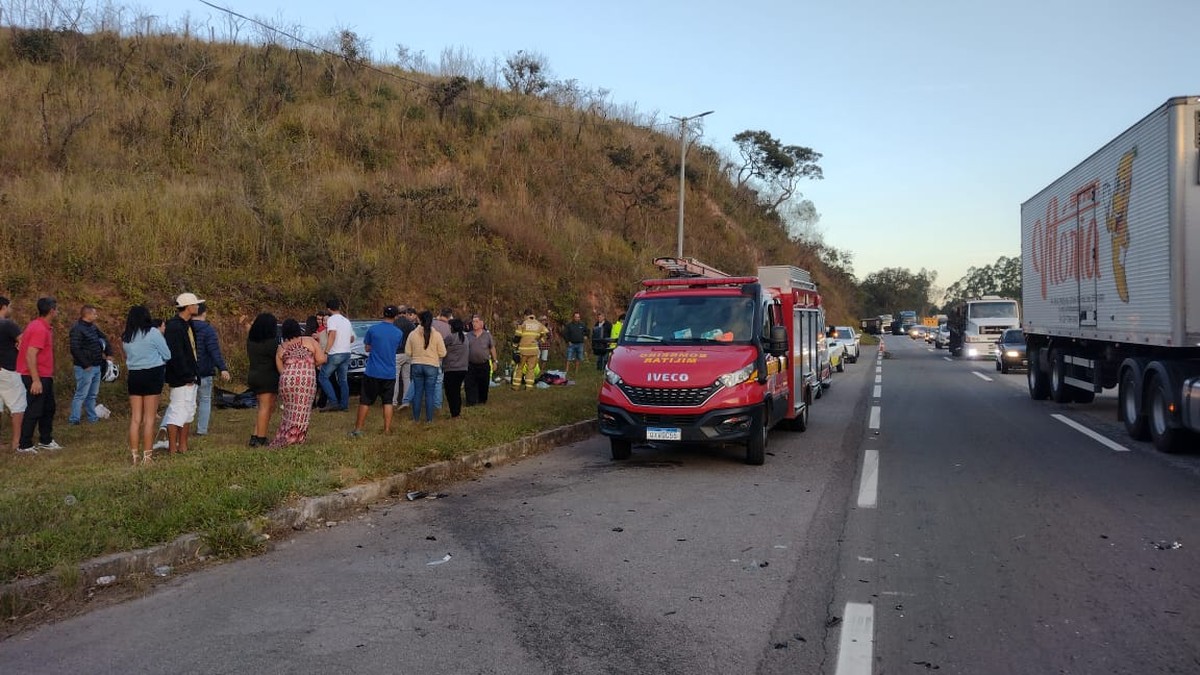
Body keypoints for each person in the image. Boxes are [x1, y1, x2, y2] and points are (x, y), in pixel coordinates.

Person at [122, 305, 171, 465]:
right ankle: (147, 457)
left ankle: (135, 455)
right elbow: (167, 354)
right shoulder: (153, 333)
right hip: (152, 374)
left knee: (135, 418)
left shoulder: (127, 336)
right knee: (149, 419)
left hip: (134, 375)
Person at [350, 306, 404, 437]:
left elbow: (367, 348)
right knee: (388, 402)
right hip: (389, 372)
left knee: (365, 401)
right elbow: (396, 347)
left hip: (373, 371)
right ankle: (386, 430)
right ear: (396, 316)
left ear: (382, 314)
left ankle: (358, 430)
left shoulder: (373, 329)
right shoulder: (398, 333)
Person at [16, 297, 61, 454]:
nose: (57, 311)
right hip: (35, 375)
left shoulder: (42, 326)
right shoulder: (39, 328)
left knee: (49, 408)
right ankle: (24, 444)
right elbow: (30, 354)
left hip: (45, 375)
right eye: (56, 309)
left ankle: (45, 440)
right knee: (35, 409)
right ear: (51, 311)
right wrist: (36, 380)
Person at [271, 318, 325, 447]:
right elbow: (322, 359)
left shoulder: (281, 348)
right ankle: (295, 440)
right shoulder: (310, 341)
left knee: (289, 411)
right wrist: (309, 365)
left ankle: (284, 437)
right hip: (305, 380)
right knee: (302, 410)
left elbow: (281, 370)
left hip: (287, 381)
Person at [163, 293, 202, 455]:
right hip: (181, 378)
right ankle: (173, 447)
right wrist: (185, 375)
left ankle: (183, 445)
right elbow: (176, 354)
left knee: (188, 410)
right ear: (188, 307)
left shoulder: (188, 324)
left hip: (191, 375)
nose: (198, 307)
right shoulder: (174, 326)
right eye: (195, 304)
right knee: (177, 410)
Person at [67, 305, 114, 426]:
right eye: (94, 314)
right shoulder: (77, 329)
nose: (96, 316)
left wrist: (109, 353)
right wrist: (85, 364)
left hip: (97, 365)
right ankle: (74, 419)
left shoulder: (93, 327)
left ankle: (92, 417)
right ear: (87, 315)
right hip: (85, 368)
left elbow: (104, 338)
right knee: (81, 394)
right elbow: (75, 349)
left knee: (92, 395)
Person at [192, 303, 231, 436]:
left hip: (187, 371)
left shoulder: (185, 327)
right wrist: (222, 368)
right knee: (205, 399)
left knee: (185, 401)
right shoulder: (208, 330)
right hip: (204, 370)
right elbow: (214, 351)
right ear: (204, 313)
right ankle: (201, 429)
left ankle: (177, 427)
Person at [405, 310, 446, 422]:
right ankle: (429, 419)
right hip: (432, 365)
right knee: (430, 393)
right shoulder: (437, 335)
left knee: (418, 392)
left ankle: (416, 418)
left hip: (417, 365)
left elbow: (408, 352)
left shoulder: (413, 334)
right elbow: (443, 353)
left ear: (419, 320)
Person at [246, 312, 280, 447]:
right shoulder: (272, 343)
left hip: (254, 375)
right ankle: (261, 438)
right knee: (265, 408)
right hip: (268, 377)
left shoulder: (251, 341)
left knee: (264, 408)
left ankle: (256, 434)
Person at [0, 296, 27, 453]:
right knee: (17, 405)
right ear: (4, 307)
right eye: (10, 307)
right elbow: (23, 342)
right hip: (9, 370)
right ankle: (16, 443)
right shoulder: (7, 324)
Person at [318, 299, 353, 412]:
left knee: (323, 377)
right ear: (339, 307)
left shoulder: (332, 320)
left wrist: (326, 352)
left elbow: (332, 335)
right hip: (347, 352)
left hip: (335, 352)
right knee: (343, 380)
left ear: (328, 309)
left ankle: (333, 402)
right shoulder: (346, 320)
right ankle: (344, 405)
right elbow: (352, 338)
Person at [465, 315, 497, 406]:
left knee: (483, 384)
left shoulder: (487, 335)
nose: (474, 324)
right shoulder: (468, 335)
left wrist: (495, 361)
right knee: (470, 384)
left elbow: (492, 348)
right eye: (473, 322)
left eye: (476, 321)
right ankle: (471, 401)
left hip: (483, 364)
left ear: (481, 323)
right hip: (471, 365)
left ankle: (482, 400)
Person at [513, 310, 548, 390]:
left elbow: (517, 337)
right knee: (531, 369)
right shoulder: (539, 324)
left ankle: (516, 386)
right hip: (534, 350)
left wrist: (515, 347)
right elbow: (547, 334)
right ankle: (529, 387)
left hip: (523, 350)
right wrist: (540, 341)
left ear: (525, 315)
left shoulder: (523, 323)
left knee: (520, 368)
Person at [442, 318, 469, 418]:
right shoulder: (465, 338)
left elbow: (441, 346)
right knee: (456, 391)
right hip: (463, 368)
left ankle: (454, 412)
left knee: (450, 392)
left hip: (451, 368)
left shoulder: (451, 337)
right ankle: (457, 412)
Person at [391, 304, 416, 408]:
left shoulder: (393, 324)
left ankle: (394, 401)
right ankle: (406, 401)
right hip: (408, 353)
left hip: (396, 353)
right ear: (406, 313)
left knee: (395, 378)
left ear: (397, 313)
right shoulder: (410, 324)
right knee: (406, 378)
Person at [431, 308, 453, 410]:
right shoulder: (449, 328)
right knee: (439, 380)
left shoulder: (432, 323)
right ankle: (437, 404)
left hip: (428, 354)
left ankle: (410, 400)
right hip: (440, 356)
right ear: (449, 317)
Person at [562, 311, 587, 377]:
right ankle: (566, 371)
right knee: (569, 358)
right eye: (576, 317)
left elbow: (587, 331)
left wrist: (586, 335)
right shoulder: (569, 325)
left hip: (580, 344)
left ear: (579, 318)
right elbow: (564, 333)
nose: (577, 318)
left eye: (578, 317)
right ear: (573, 317)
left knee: (578, 358)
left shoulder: (582, 324)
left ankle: (576, 371)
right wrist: (568, 341)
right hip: (571, 344)